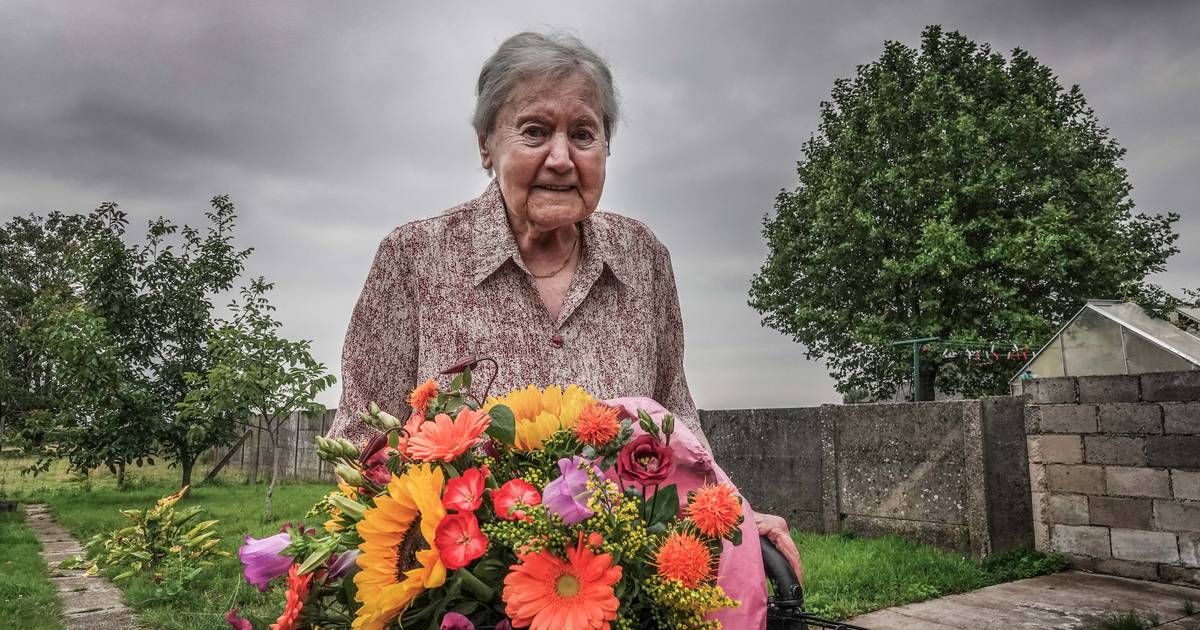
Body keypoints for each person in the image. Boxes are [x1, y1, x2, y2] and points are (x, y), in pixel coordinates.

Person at [327, 30, 802, 592]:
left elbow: (677, 422)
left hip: (625, 590)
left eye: (583, 134)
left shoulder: (643, 258)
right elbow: (364, 441)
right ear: (486, 145)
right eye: (534, 131)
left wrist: (737, 514)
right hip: (459, 597)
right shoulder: (415, 258)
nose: (561, 158)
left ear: (606, 148)